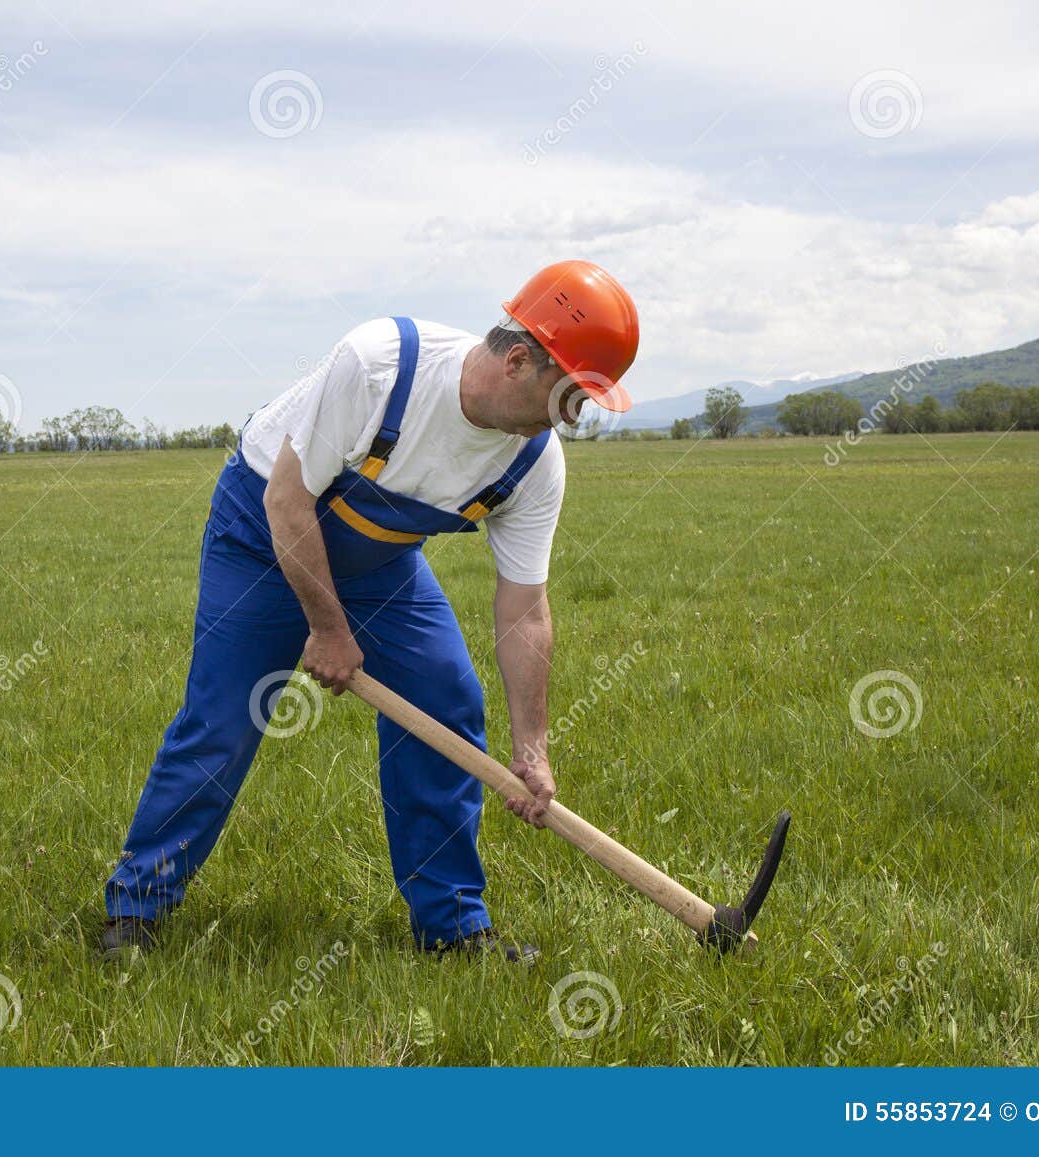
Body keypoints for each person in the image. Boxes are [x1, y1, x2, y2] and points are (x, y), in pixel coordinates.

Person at [102, 261, 640, 962]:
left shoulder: (535, 465)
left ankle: (452, 927)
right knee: (227, 718)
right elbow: (287, 502)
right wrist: (327, 630)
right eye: (574, 398)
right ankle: (136, 909)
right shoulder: (382, 366)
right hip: (263, 533)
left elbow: (524, 609)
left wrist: (531, 745)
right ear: (519, 362)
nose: (577, 417)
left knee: (446, 700)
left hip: (378, 560)